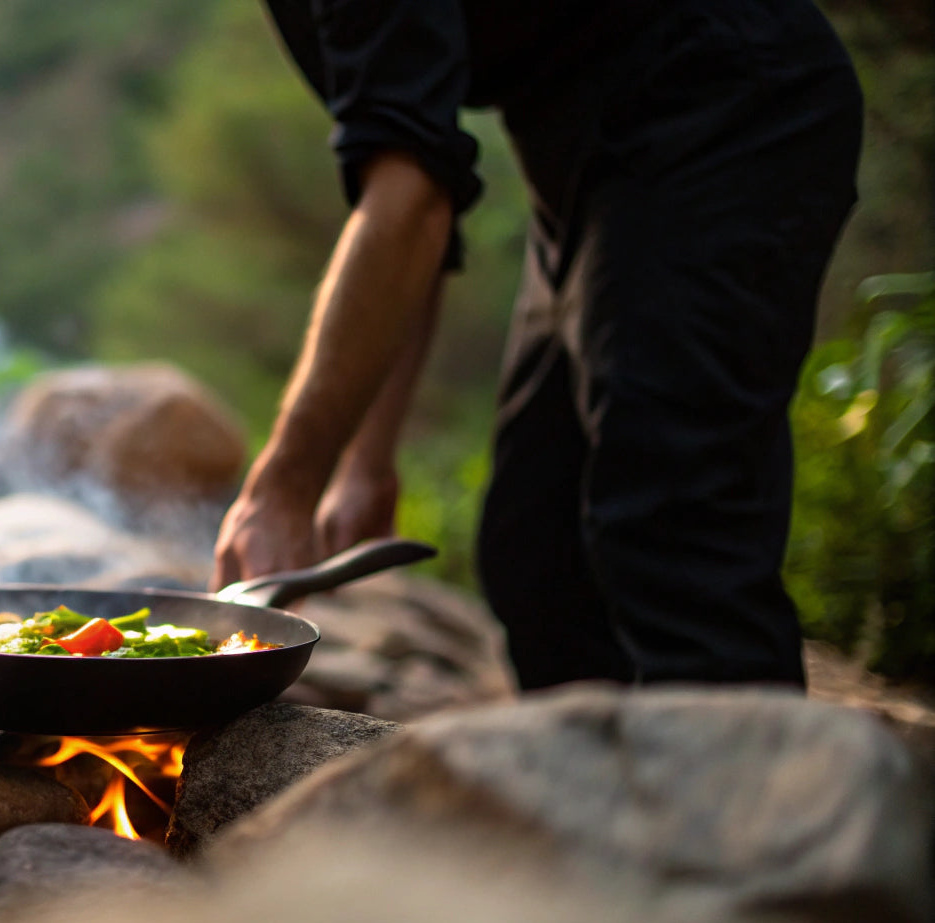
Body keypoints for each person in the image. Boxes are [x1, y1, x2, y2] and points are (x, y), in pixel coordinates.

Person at [211, 0, 863, 690]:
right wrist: (364, 461)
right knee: (538, 559)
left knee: (671, 529)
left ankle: (746, 785)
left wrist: (285, 484)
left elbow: (412, 202)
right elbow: (404, 189)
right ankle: (589, 788)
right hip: (577, 160)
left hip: (728, 104)